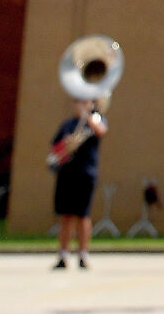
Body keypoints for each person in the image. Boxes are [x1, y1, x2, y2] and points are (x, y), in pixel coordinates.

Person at [48, 98, 107, 269]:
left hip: (86, 173)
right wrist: (67, 143)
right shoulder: (68, 124)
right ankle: (63, 255)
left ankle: (83, 254)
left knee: (82, 216)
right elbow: (55, 147)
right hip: (66, 173)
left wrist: (88, 117)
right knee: (65, 216)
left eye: (84, 102)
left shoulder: (96, 119)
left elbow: (101, 131)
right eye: (78, 102)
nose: (80, 105)